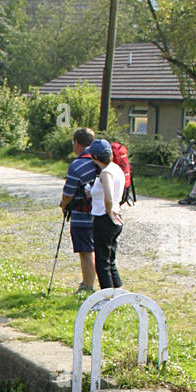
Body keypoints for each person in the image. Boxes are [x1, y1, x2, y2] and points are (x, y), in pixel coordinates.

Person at [60, 127, 98, 296]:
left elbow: (68, 194)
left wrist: (63, 205)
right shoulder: (102, 160)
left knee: (85, 251)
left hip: (83, 215)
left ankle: (88, 287)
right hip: (102, 213)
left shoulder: (78, 165)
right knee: (99, 251)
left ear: (77, 143)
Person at [87, 138, 124, 289]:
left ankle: (107, 297)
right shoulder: (116, 168)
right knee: (110, 258)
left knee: (102, 261)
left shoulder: (106, 173)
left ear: (94, 157)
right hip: (115, 219)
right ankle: (118, 291)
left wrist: (109, 211)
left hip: (104, 218)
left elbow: (108, 196)